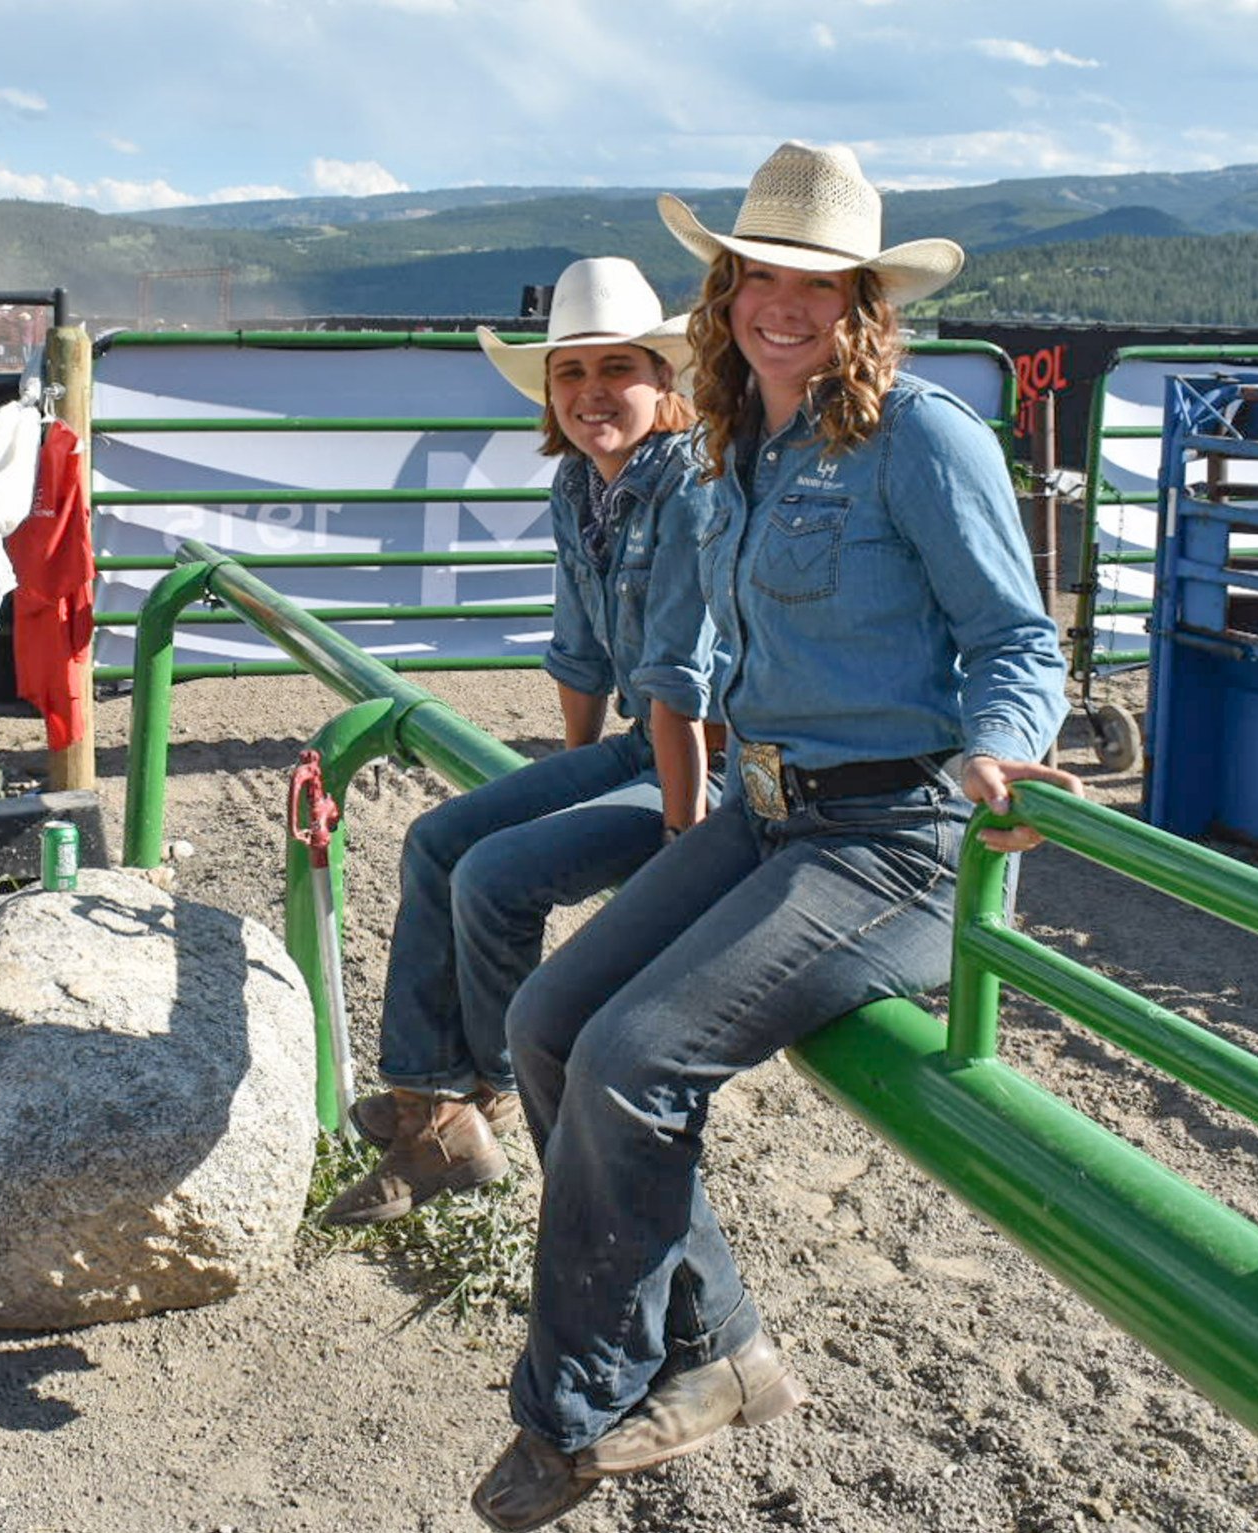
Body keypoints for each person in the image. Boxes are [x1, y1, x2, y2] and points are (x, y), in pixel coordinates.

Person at [471, 141, 1081, 1530]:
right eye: (761, 277)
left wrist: (1004, 743)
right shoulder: (744, 438)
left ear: (864, 297)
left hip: (889, 837)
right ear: (728, 288)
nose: (784, 305)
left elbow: (1012, 637)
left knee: (634, 1054)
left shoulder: (922, 436)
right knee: (552, 1022)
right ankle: (726, 1345)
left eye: (820, 283)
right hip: (762, 812)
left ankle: (575, 1411)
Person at [322, 256, 726, 1226]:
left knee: (492, 877)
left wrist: (680, 840)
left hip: (720, 772)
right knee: (433, 841)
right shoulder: (580, 487)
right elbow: (579, 650)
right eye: (569, 373)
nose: (591, 393)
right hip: (645, 746)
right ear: (549, 390)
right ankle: (428, 1097)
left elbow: (676, 677)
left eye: (615, 369)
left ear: (661, 379)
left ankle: (475, 1101)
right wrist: (563, 774)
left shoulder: (692, 486)